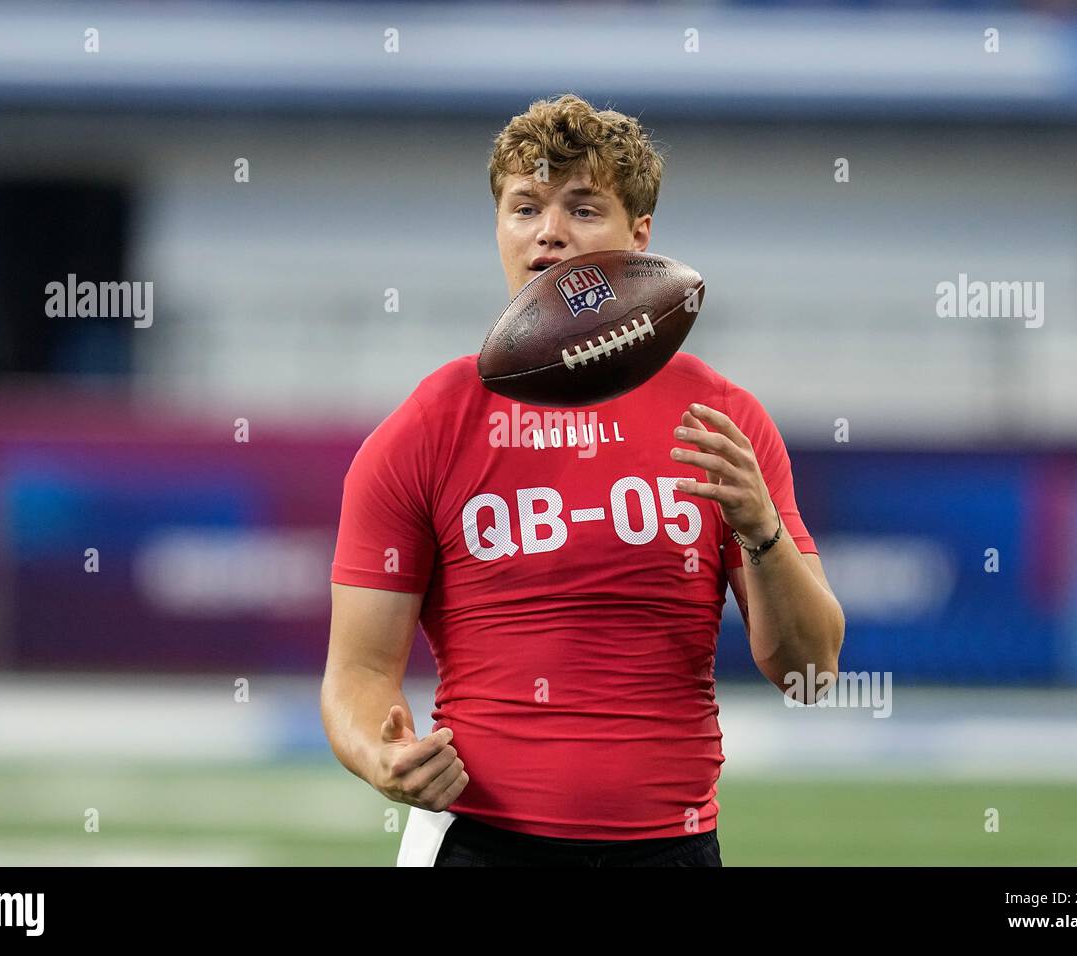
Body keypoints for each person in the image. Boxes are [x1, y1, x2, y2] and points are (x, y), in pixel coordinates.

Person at [321, 93, 845, 867]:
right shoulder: (429, 426)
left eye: (583, 208)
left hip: (674, 848)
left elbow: (809, 675)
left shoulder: (720, 419)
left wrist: (761, 531)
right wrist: (379, 755)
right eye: (524, 207)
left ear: (641, 238)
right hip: (478, 845)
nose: (549, 231)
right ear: (498, 229)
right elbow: (358, 673)